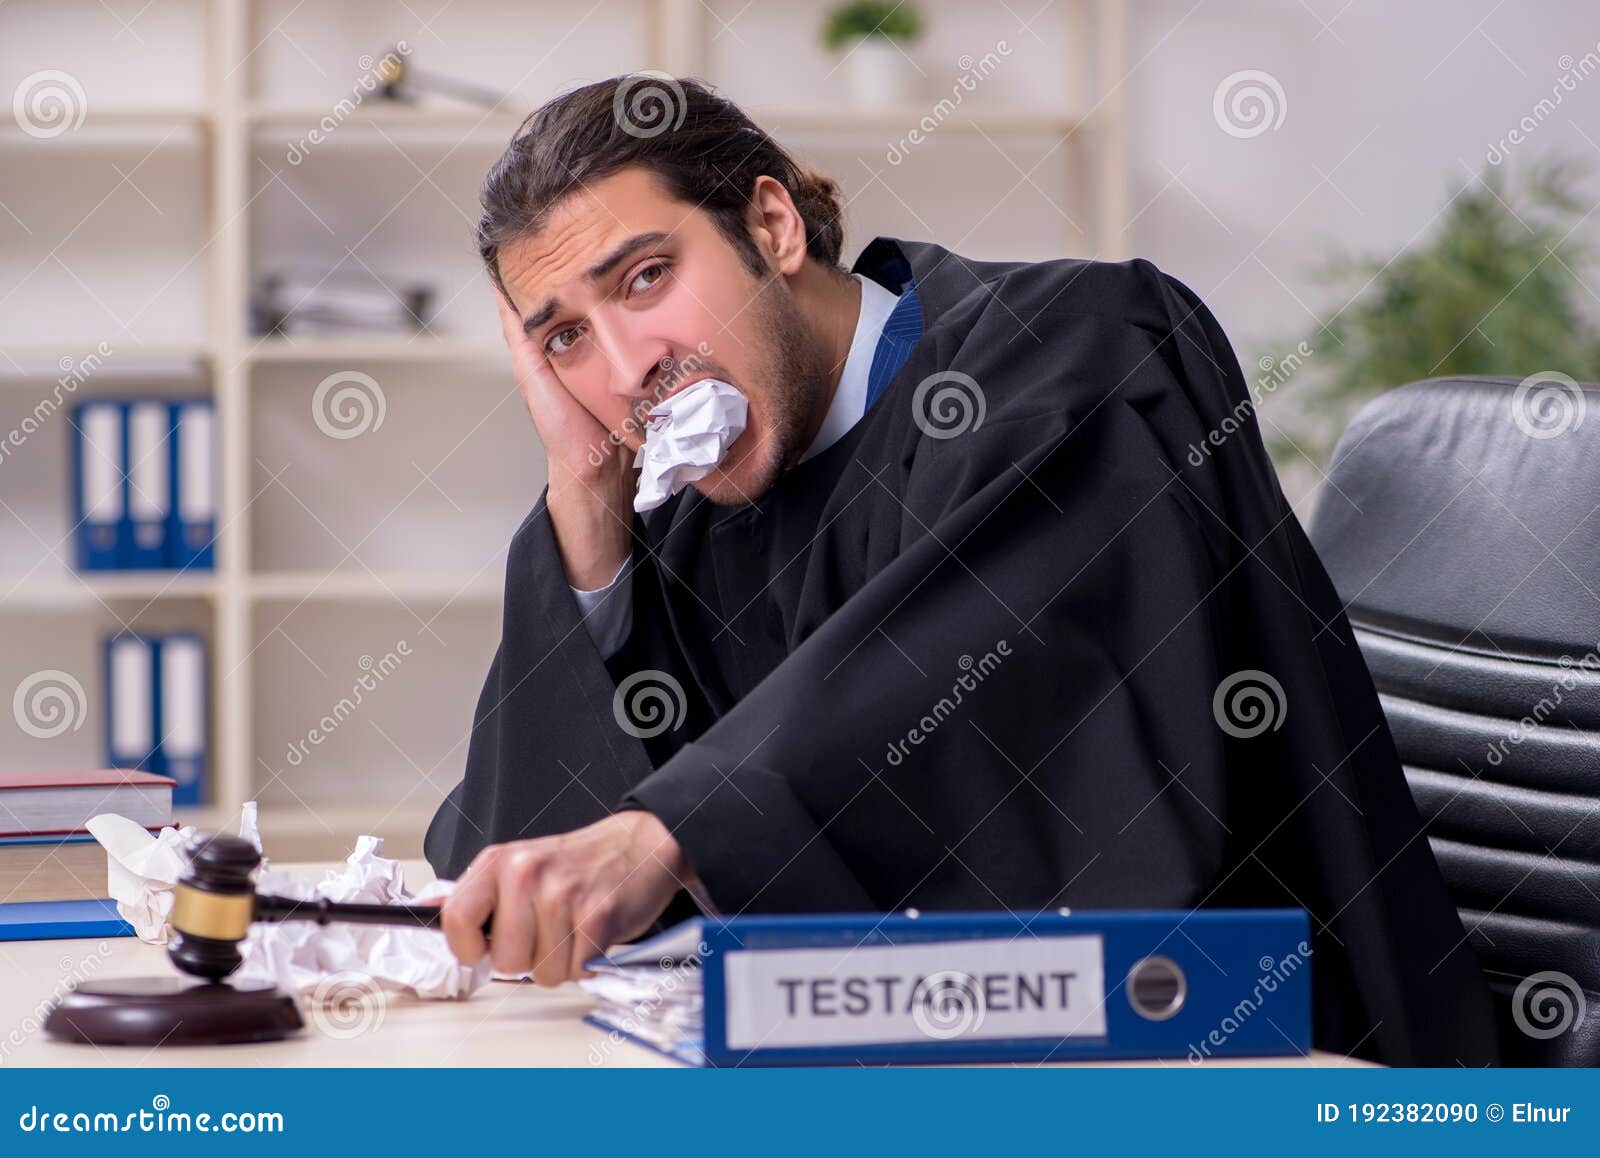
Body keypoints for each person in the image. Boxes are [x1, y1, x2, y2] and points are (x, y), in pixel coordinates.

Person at [427, 74, 1498, 1066]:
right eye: (564, 338)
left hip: (1240, 1063)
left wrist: (679, 830)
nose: (626, 371)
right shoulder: (692, 515)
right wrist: (583, 497)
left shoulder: (1082, 360)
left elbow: (995, 691)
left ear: (771, 224)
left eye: (647, 277)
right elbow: (532, 890)